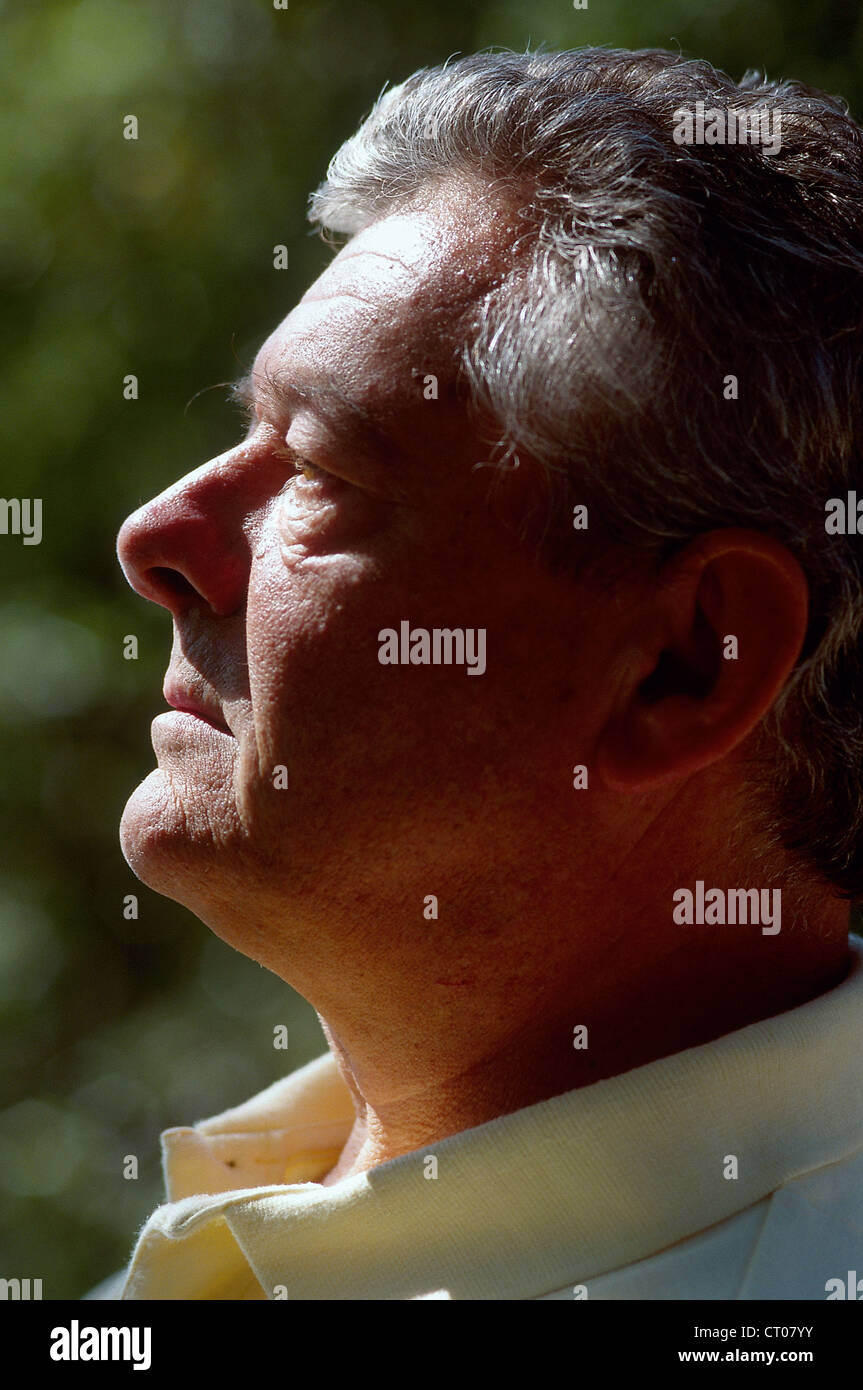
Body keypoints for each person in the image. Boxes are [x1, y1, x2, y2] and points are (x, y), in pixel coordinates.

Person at [89, 46, 863, 1300]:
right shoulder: (229, 1225)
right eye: (243, 431)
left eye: (323, 469)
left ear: (684, 666)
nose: (155, 535)